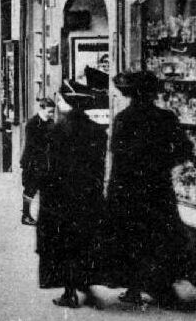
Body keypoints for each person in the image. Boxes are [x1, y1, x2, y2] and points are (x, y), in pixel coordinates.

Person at [94, 71, 195, 308]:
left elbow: (117, 158)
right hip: (158, 188)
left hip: (128, 190)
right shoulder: (165, 117)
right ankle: (162, 287)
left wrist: (112, 192)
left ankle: (136, 287)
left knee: (131, 238)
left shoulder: (123, 119)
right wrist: (164, 163)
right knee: (160, 237)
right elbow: (184, 149)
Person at [36, 92, 106, 308]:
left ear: (68, 105)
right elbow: (100, 167)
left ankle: (70, 292)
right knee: (84, 243)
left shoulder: (57, 130)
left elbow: (49, 167)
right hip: (88, 197)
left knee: (62, 245)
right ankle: (86, 287)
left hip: (60, 199)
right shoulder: (97, 131)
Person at [20, 98, 56, 226]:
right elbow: (32, 144)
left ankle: (45, 217)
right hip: (32, 161)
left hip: (45, 161)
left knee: (47, 188)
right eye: (50, 111)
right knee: (30, 189)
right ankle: (25, 215)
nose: (51, 114)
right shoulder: (32, 123)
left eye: (53, 112)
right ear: (42, 108)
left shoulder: (51, 123)